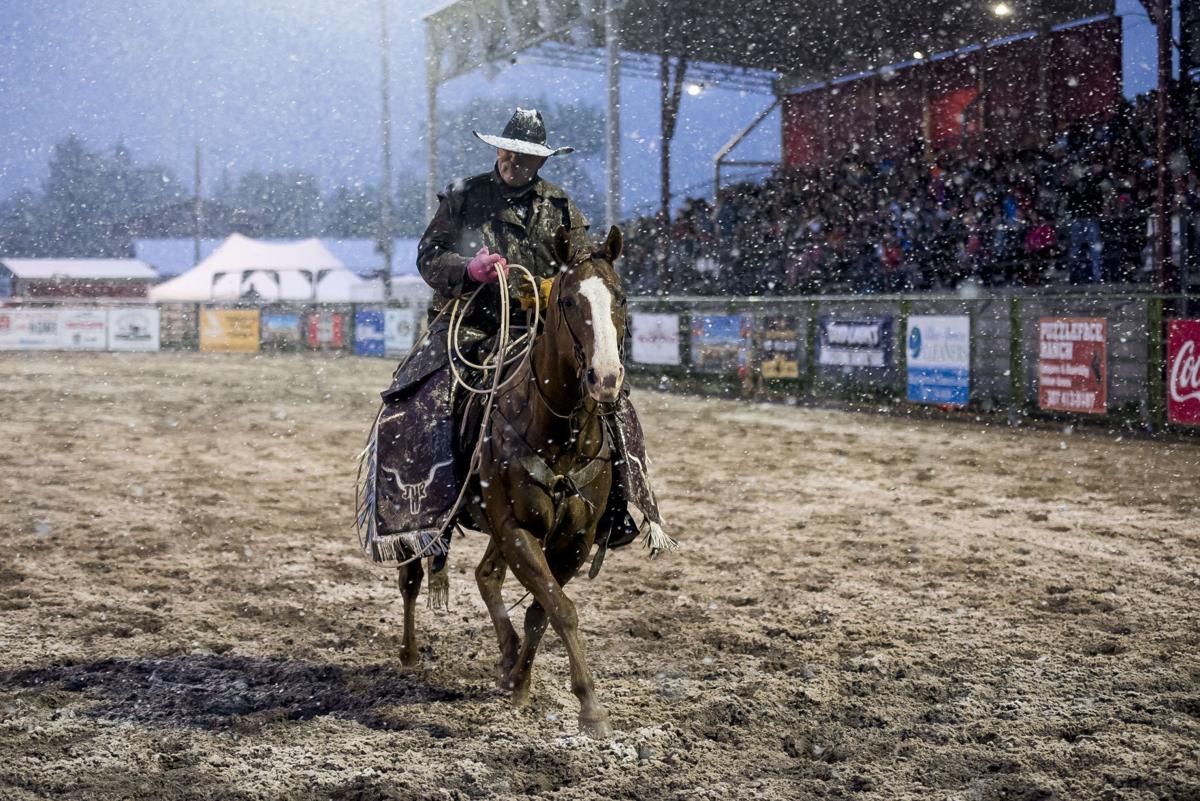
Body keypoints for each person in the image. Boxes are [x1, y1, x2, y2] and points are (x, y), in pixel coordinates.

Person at [363, 107, 668, 574]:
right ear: (499, 149)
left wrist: (559, 287)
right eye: (510, 152)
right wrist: (468, 270)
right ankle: (425, 507)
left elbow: (584, 267)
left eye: (526, 157)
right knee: (422, 397)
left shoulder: (563, 207)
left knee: (613, 399)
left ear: (540, 162)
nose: (515, 161)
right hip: (470, 323)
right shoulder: (466, 196)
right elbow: (428, 258)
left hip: (543, 329)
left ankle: (616, 507)